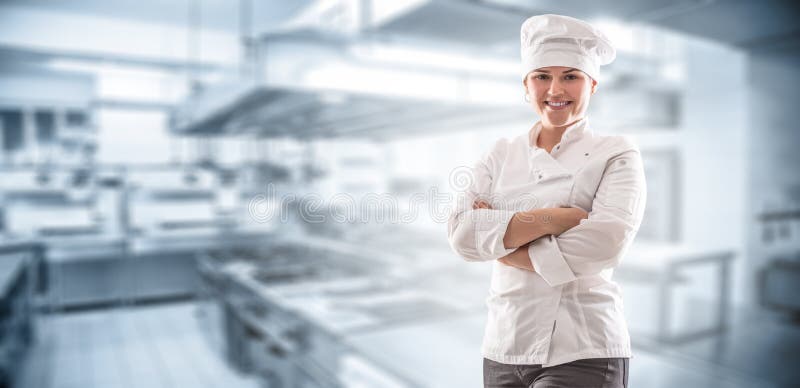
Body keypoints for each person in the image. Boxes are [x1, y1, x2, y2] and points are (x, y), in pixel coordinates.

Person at [447, 14, 646, 388]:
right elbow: (461, 235)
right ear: (526, 85)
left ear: (592, 85)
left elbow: (606, 243)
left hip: (583, 346)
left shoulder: (616, 152)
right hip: (503, 346)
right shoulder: (499, 153)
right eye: (542, 76)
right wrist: (555, 219)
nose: (556, 89)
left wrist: (500, 241)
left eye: (571, 76)